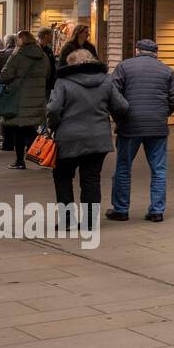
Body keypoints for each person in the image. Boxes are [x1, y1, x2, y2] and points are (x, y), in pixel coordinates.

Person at [46, 48, 128, 232]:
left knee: (63, 178)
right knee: (91, 179)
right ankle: (90, 222)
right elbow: (122, 106)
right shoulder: (106, 81)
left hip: (68, 138)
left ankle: (67, 220)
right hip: (98, 139)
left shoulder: (63, 82)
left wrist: (54, 125)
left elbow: (53, 109)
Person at [107, 38, 174, 223]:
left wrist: (120, 117)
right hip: (157, 126)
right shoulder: (167, 71)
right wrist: (163, 113)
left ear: (137, 50)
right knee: (159, 169)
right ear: (156, 53)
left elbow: (113, 96)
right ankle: (157, 211)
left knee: (123, 167)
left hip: (130, 126)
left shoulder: (124, 67)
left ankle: (121, 209)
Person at [0, 31, 51, 169]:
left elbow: (5, 75)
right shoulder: (43, 55)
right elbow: (48, 73)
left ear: (21, 40)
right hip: (36, 97)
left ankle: (21, 160)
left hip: (18, 98)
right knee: (26, 128)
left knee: (19, 129)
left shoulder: (18, 55)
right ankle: (42, 151)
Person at [0, 35, 15, 152]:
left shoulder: (3, 54)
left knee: (4, 114)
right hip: (15, 88)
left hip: (3, 86)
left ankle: (7, 142)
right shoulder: (17, 53)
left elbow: (1, 72)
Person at [38, 27, 57, 94]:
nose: (52, 37)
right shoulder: (37, 50)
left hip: (49, 84)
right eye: (51, 35)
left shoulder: (48, 50)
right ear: (46, 36)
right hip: (42, 84)